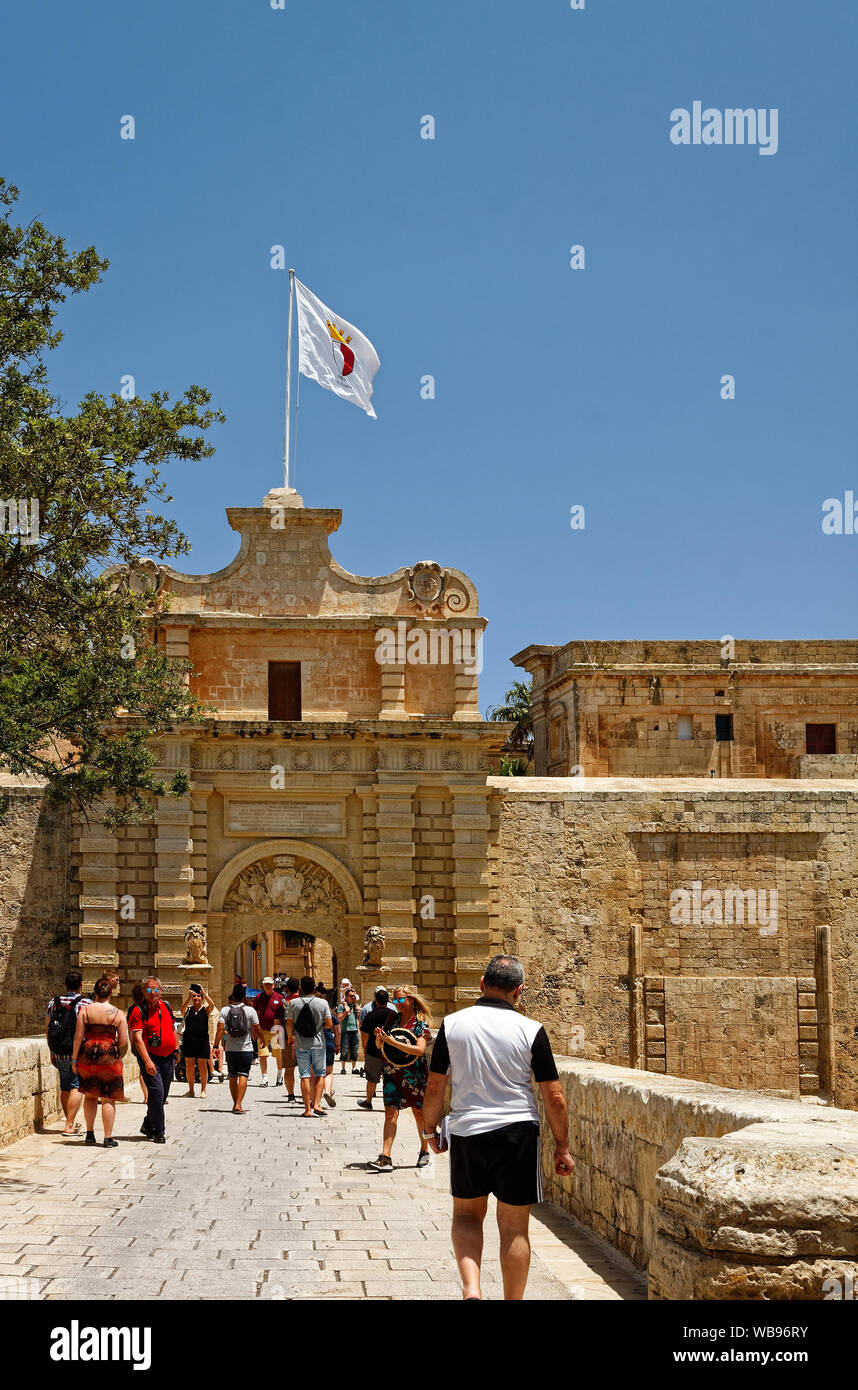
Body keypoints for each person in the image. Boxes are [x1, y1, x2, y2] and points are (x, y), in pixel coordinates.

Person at [421, 954, 575, 1302]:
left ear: (481, 985)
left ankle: (472, 1289)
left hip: (468, 1131)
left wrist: (430, 1131)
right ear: (518, 991)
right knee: (515, 1227)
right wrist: (562, 1146)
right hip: (518, 1135)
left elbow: (435, 1085)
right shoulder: (531, 1030)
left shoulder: (453, 1025)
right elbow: (554, 1096)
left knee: (466, 1216)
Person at [367, 985, 433, 1172]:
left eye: (401, 1000)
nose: (398, 1004)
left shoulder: (420, 1023)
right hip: (392, 1073)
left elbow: (420, 1049)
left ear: (411, 1000)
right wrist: (379, 1038)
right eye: (394, 1000)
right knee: (390, 1114)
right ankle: (386, 1157)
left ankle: (424, 1150)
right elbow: (381, 1045)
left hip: (414, 1074)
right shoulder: (392, 1019)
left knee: (419, 1114)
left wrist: (392, 1041)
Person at [70, 977, 128, 1147]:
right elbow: (123, 1041)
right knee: (108, 1098)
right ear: (111, 992)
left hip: (88, 1055)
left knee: (89, 1095)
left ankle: (89, 1133)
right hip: (109, 1055)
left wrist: (74, 1059)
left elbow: (78, 1036)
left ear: (95, 992)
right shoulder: (118, 1014)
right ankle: (108, 1138)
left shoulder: (85, 1011)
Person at [127, 977, 177, 1144]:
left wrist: (176, 1049)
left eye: (156, 989)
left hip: (168, 1057)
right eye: (148, 990)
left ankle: (148, 1123)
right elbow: (138, 1039)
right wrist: (147, 1062)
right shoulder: (138, 1011)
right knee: (156, 1091)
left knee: (161, 1097)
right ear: (143, 992)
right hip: (151, 1057)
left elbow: (172, 1028)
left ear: (160, 991)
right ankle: (159, 1131)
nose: (153, 993)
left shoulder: (167, 1006)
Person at [45, 970, 87, 1136]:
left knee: (65, 1086)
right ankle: (69, 1125)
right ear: (81, 985)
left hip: (60, 1051)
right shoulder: (85, 1003)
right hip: (78, 1053)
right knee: (77, 1085)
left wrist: (52, 1050)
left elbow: (48, 1028)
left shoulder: (53, 1002)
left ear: (65, 985)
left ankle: (69, 1121)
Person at [285, 976, 332, 1119]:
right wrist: (318, 1027)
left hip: (301, 1044)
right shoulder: (322, 1003)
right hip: (318, 1044)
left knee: (304, 1075)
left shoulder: (293, 1003)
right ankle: (317, 1104)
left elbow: (289, 1023)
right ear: (314, 988)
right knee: (320, 1073)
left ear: (301, 988)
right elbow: (329, 1023)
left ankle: (307, 1109)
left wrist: (290, 1037)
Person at [214, 986, 262, 1115]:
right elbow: (257, 1028)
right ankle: (238, 1104)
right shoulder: (250, 1010)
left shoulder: (225, 1010)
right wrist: (263, 1040)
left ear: (233, 996)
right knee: (243, 1075)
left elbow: (220, 1029)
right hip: (246, 1049)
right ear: (244, 997)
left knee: (232, 1076)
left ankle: (235, 1103)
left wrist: (215, 1046)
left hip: (230, 1049)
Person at [357, 987, 397, 1111]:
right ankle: (389, 1103)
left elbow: (364, 1034)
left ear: (376, 999)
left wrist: (364, 1049)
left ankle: (368, 1102)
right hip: (390, 1053)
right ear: (388, 1000)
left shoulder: (370, 1015)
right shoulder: (394, 1015)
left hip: (373, 1052)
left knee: (371, 1078)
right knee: (389, 1078)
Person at [180, 983, 215, 1097]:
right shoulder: (188, 1010)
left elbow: (212, 1004)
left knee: (202, 1065)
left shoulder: (205, 1010)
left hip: (202, 1041)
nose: (196, 998)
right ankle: (191, 1090)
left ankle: (203, 1090)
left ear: (201, 998)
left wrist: (204, 992)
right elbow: (182, 1009)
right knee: (189, 1065)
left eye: (198, 996)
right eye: (194, 996)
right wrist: (188, 997)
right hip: (189, 1041)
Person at [254, 976, 286, 1087]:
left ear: (273, 985)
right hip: (262, 1030)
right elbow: (256, 1013)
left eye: (269, 984)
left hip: (277, 1030)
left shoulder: (279, 997)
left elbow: (283, 1014)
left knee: (278, 1055)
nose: (267, 986)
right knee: (263, 1055)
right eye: (265, 984)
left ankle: (279, 1075)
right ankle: (264, 1078)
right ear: (263, 985)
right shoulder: (258, 997)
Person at [315, 981, 339, 1107]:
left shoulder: (312, 1014)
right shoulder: (331, 1014)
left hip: (315, 1042)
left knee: (316, 1071)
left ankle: (314, 1097)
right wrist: (337, 1044)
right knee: (328, 1071)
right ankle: (328, 1092)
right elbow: (338, 1031)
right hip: (329, 1041)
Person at [281, 976, 300, 1104]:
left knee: (289, 1068)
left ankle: (291, 1094)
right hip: (304, 1038)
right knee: (308, 1069)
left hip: (287, 1038)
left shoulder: (283, 1003)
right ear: (299, 988)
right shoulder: (303, 1001)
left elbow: (278, 1021)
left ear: (287, 989)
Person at [336, 989, 361, 1075]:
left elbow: (358, 1019)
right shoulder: (341, 1006)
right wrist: (346, 1012)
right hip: (345, 1030)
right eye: (351, 996)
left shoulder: (354, 1006)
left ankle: (354, 1068)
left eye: (354, 996)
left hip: (355, 1030)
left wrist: (358, 1011)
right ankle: (343, 1068)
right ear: (346, 997)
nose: (353, 997)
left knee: (355, 1049)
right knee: (344, 1049)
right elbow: (339, 1019)